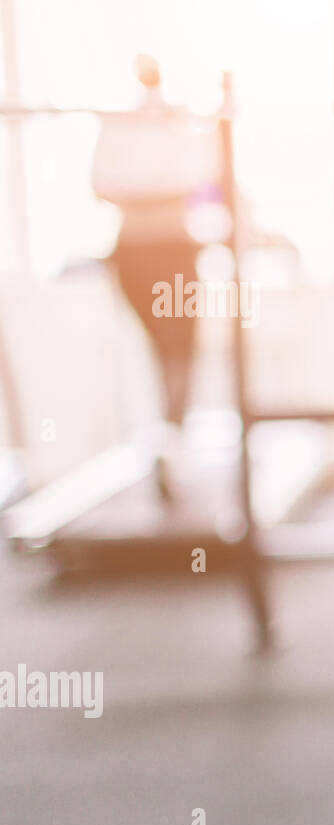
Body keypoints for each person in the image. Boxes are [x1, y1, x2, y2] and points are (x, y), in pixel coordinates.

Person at [92, 53, 218, 498]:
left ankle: (171, 442)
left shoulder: (173, 121)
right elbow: (103, 184)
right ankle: (167, 442)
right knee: (169, 351)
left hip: (161, 247)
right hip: (148, 250)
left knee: (174, 351)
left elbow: (203, 179)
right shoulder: (134, 122)